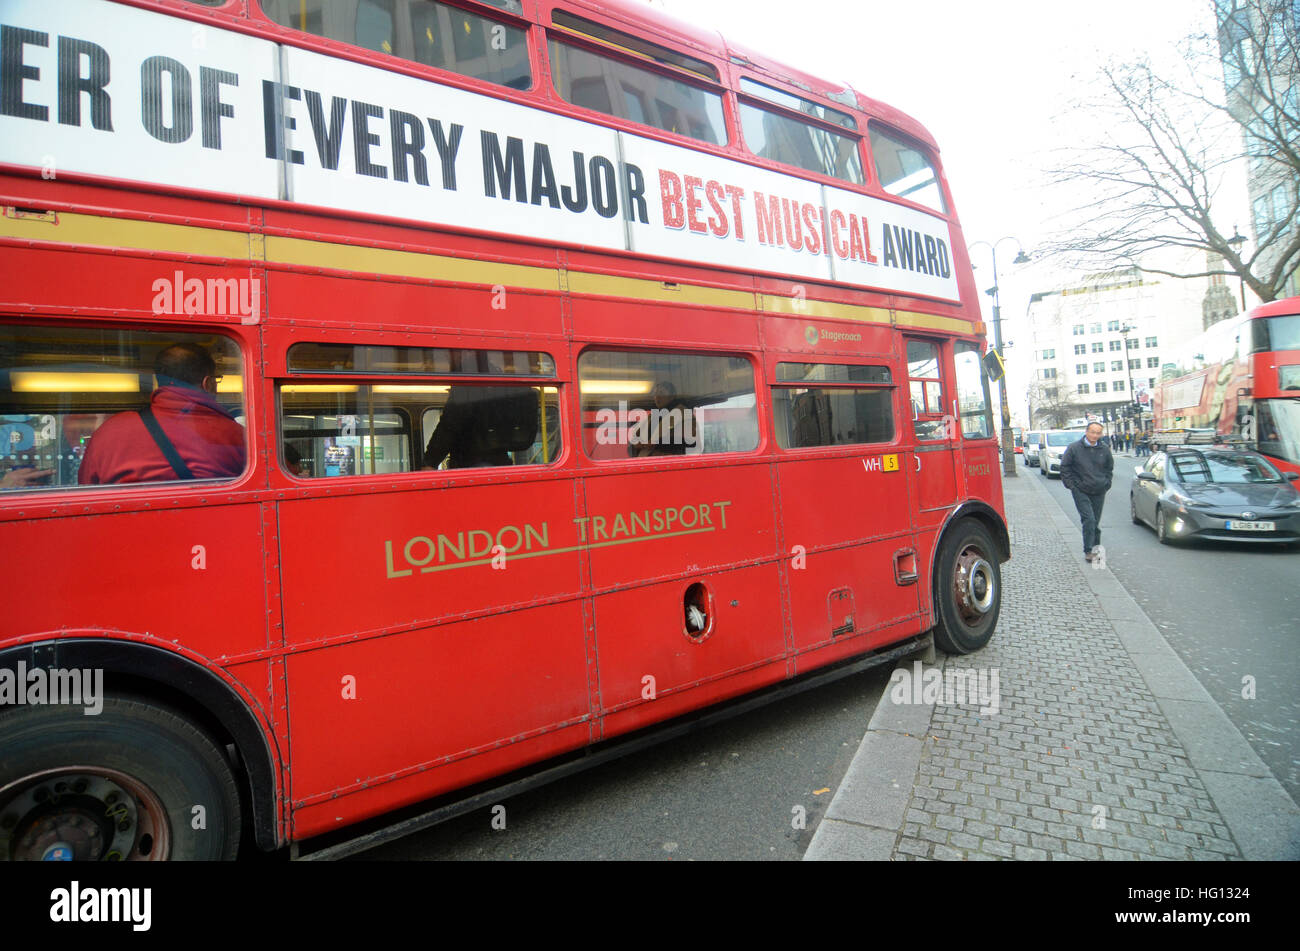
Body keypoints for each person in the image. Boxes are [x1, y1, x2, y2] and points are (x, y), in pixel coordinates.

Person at [78, 343, 245, 484]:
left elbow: (85, 488)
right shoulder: (234, 435)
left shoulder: (110, 431)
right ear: (207, 383)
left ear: (159, 381)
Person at [424, 385, 538, 469]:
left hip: (469, 462)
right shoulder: (501, 385)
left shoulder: (466, 384)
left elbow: (448, 427)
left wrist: (430, 463)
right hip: (498, 461)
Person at [1060, 421, 1113, 562]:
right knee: (1088, 519)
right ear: (1086, 432)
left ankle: (1095, 549)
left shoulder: (1104, 449)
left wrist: (1106, 484)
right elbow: (1065, 467)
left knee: (1095, 522)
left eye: (1098, 433)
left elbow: (1109, 469)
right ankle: (1089, 551)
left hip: (1099, 490)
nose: (1095, 435)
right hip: (1081, 490)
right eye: (1092, 432)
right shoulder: (1074, 448)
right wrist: (1072, 486)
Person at [631, 381, 697, 456]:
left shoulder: (683, 414)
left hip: (670, 463)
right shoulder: (652, 416)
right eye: (655, 394)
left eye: (661, 393)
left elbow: (691, 442)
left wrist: (658, 444)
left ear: (672, 396)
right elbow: (635, 437)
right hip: (647, 461)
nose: (657, 397)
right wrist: (636, 444)